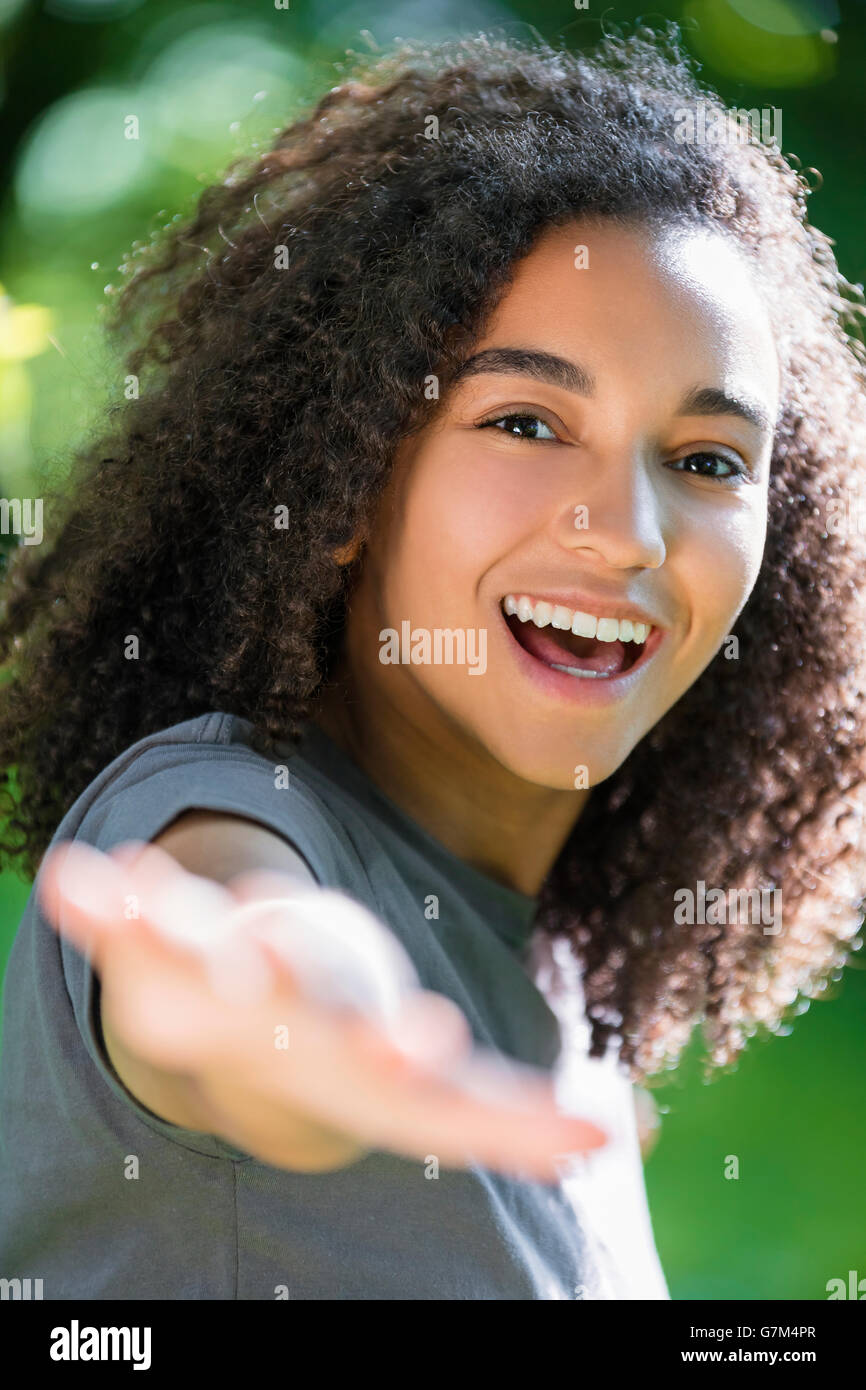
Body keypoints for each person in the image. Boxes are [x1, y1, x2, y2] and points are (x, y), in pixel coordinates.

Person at [0, 26, 864, 1301]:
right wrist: (277, 1017)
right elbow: (269, 951)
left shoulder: (554, 972)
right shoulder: (212, 814)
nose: (625, 533)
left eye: (705, 459)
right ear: (346, 481)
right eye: (524, 421)